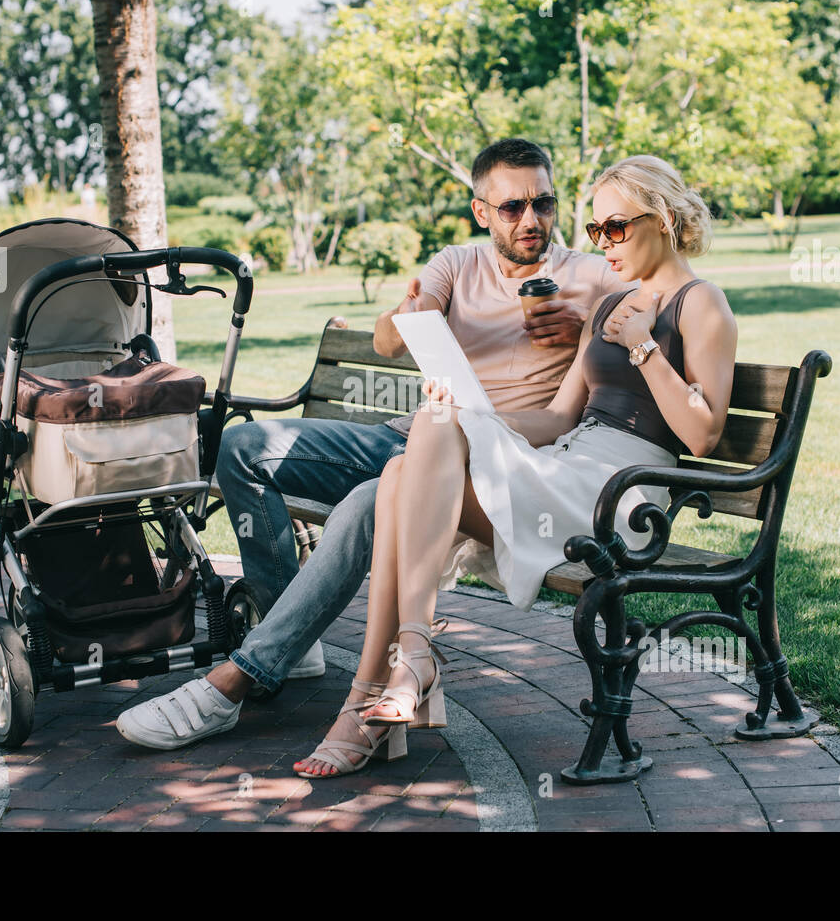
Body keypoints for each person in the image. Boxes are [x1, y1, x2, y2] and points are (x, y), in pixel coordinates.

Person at [114, 137, 622, 751]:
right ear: (481, 211)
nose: (531, 220)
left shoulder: (589, 276)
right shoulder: (456, 264)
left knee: (364, 506)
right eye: (512, 207)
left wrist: (582, 326)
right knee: (245, 447)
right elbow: (388, 342)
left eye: (543, 203)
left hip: (484, 465)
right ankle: (290, 642)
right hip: (410, 437)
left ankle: (237, 680)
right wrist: (407, 311)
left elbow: (655, 307)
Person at [293, 154, 738, 777]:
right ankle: (406, 661)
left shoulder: (700, 303)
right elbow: (558, 418)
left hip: (623, 496)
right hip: (568, 462)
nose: (602, 243)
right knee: (418, 448)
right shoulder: (613, 304)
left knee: (408, 466)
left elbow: (705, 431)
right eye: (594, 231)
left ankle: (375, 695)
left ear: (660, 219)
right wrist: (476, 417)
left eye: (615, 228)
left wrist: (643, 347)